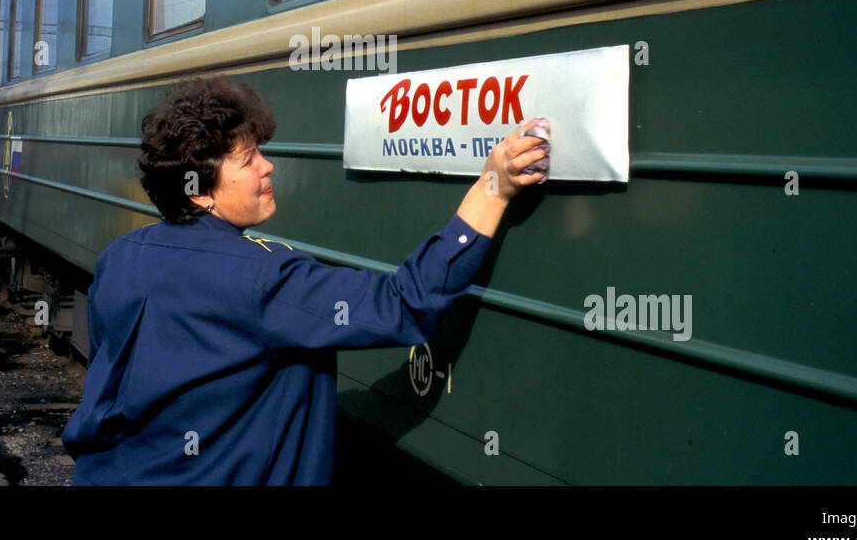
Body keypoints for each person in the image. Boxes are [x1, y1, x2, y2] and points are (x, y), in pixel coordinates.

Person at [61, 78, 548, 485]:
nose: (267, 165)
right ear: (201, 191)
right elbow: (403, 303)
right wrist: (494, 188)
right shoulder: (261, 276)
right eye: (248, 159)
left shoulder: (120, 258)